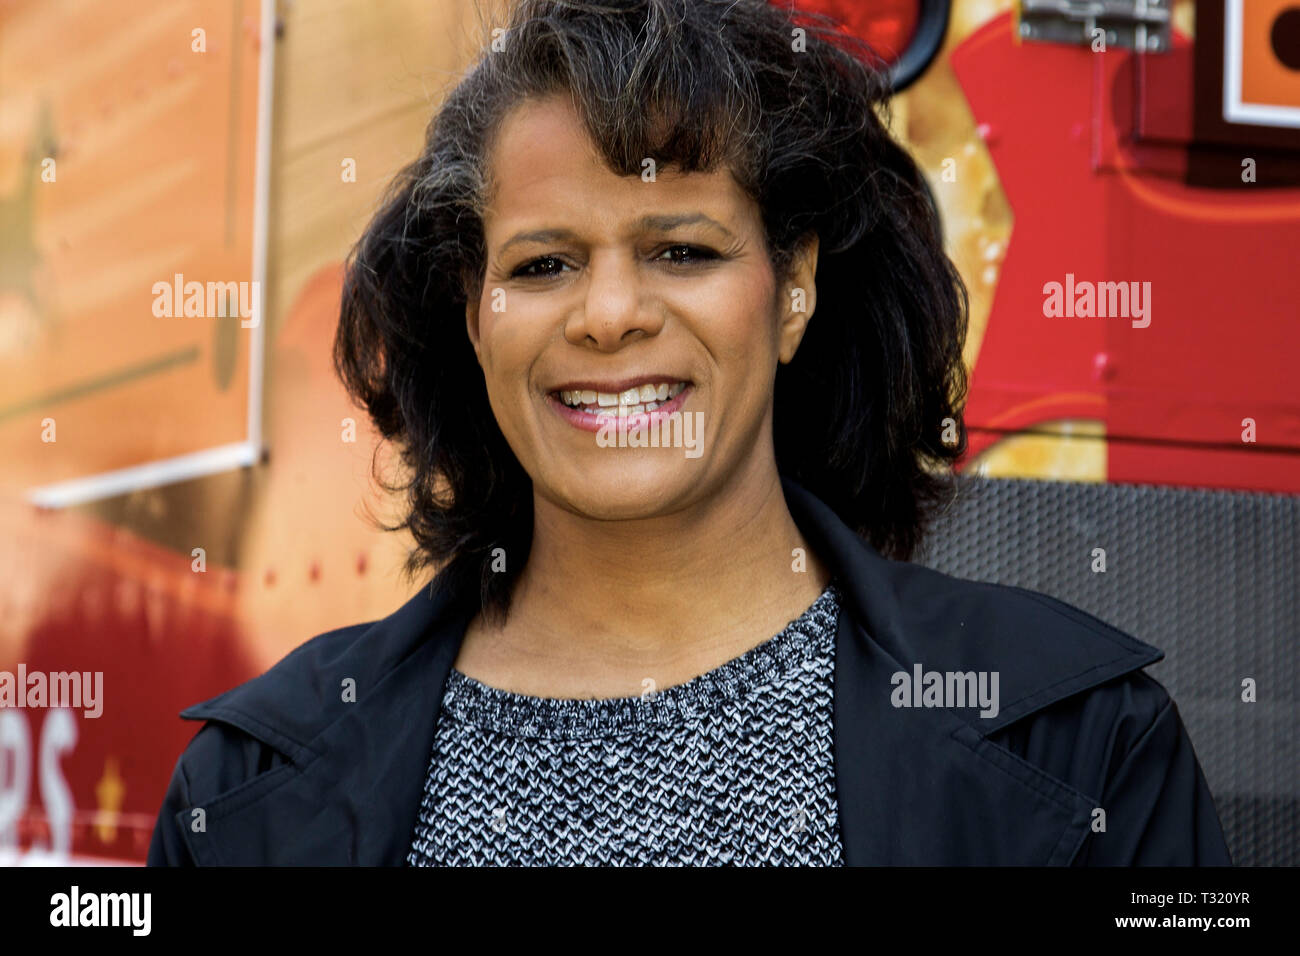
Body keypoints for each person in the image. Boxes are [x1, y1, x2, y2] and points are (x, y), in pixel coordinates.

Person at [148, 0, 1231, 866]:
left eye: (681, 250)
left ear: (794, 286)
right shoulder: (245, 787)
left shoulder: (1082, 740)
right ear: (474, 317)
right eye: (541, 263)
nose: (610, 312)